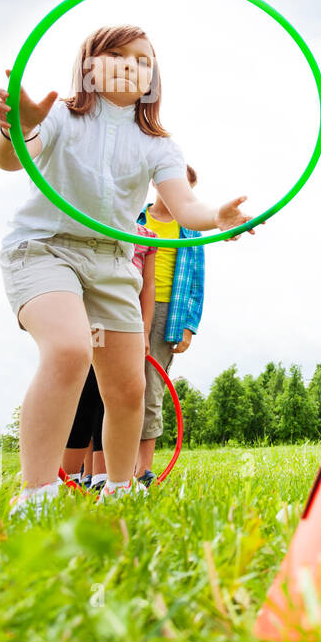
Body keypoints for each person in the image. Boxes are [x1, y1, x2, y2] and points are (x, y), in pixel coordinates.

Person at [0, 24, 257, 515]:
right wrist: (17, 128)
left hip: (113, 261)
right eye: (121, 54)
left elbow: (186, 205)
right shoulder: (60, 117)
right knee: (69, 349)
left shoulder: (157, 144)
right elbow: (6, 160)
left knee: (128, 386)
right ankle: (37, 493)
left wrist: (217, 218)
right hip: (45, 249)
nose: (135, 65)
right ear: (89, 65)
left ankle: (118, 487)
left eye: (145, 60)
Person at [62, 223, 158, 490]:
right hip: (93, 316)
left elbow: (148, 287)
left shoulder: (148, 238)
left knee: (116, 393)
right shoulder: (97, 221)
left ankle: (106, 477)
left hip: (123, 320)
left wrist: (144, 331)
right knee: (87, 392)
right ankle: (70, 475)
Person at [135, 165, 208, 483]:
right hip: (126, 304)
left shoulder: (191, 230)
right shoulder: (134, 217)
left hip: (169, 312)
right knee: (111, 384)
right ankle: (102, 467)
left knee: (151, 387)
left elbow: (197, 280)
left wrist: (189, 327)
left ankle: (142, 469)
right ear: (155, 181)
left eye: (185, 188)